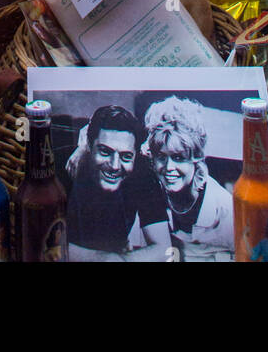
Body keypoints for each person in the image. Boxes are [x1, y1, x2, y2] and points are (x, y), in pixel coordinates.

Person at [65, 105, 172, 262]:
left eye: (126, 156)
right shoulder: (66, 164)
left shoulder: (142, 173)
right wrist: (105, 260)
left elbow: (164, 249)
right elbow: (43, 245)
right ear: (88, 145)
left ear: (136, 155)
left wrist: (120, 260)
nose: (115, 166)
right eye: (105, 152)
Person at [142, 95, 234, 260]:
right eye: (161, 157)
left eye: (178, 158)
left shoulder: (225, 208)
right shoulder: (148, 193)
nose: (169, 168)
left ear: (196, 158)